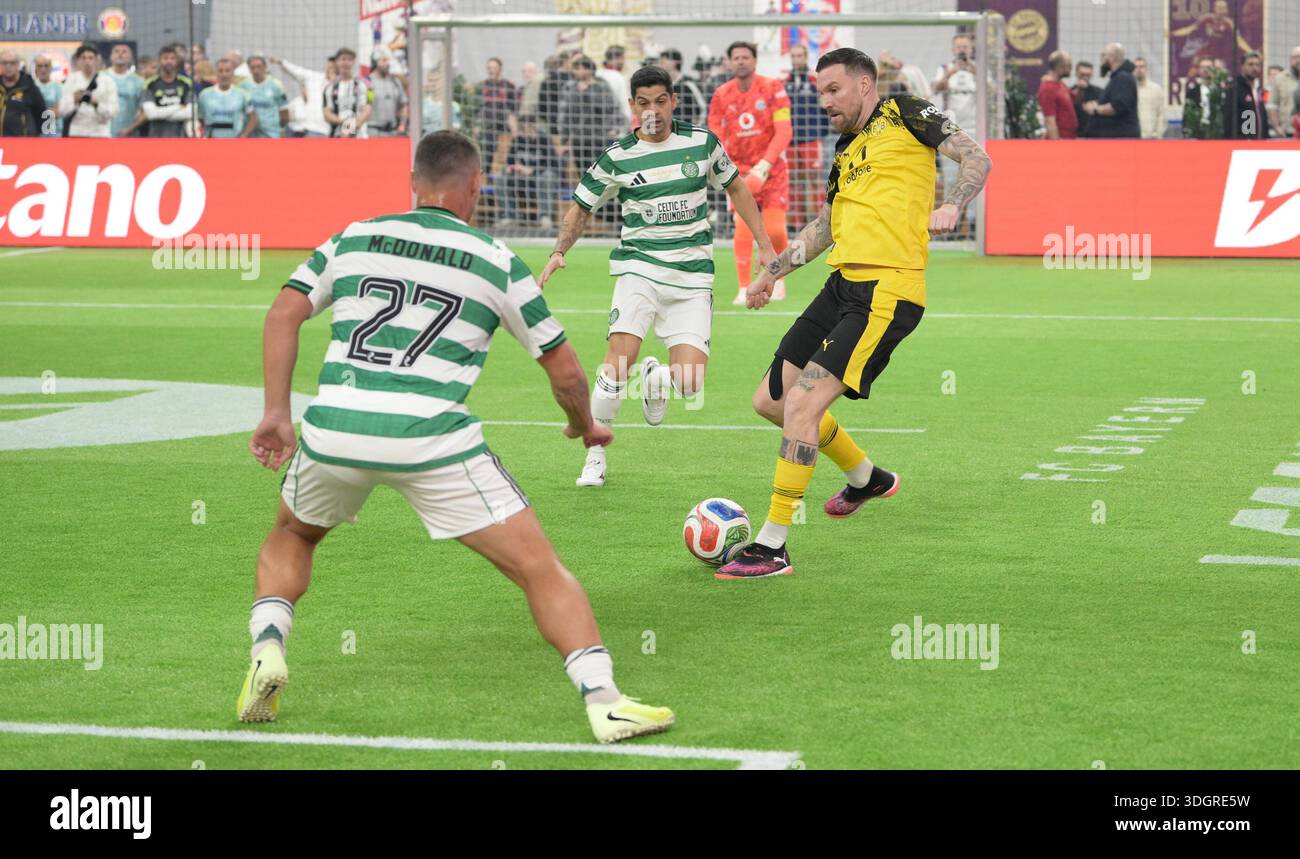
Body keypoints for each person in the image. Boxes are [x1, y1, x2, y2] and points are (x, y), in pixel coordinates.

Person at [239, 129, 674, 745]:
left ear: (413, 185)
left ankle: (268, 649)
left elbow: (283, 313)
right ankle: (604, 700)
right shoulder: (495, 258)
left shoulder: (354, 235)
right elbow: (568, 370)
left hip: (335, 428)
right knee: (538, 568)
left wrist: (276, 412)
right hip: (431, 439)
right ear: (475, 187)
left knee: (292, 532)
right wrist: (584, 426)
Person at [716, 47, 991, 579]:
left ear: (865, 85)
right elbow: (823, 227)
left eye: (834, 90)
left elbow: (977, 157)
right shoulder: (845, 151)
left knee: (801, 405)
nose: (825, 101)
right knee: (770, 401)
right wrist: (772, 271)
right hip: (841, 286)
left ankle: (773, 545)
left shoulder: (906, 113)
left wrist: (954, 202)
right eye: (820, 93)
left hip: (887, 291)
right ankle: (866, 478)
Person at [537, 66, 775, 489]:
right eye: (643, 103)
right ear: (632, 106)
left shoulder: (702, 145)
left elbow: (737, 189)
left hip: (692, 276)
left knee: (689, 384)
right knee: (616, 364)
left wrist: (765, 245)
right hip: (639, 270)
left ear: (673, 101)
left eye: (660, 101)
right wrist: (559, 251)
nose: (653, 111)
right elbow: (581, 208)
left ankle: (657, 377)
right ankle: (595, 454)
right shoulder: (617, 156)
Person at [708, 40, 793, 305]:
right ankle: (745, 286)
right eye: (736, 57)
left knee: (776, 230)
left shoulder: (773, 88)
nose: (741, 61)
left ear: (755, 61)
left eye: (746, 57)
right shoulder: (721, 95)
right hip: (740, 175)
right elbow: (715, 135)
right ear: (730, 62)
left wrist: (764, 166)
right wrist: (726, 170)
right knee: (743, 229)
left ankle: (778, 280)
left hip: (772, 170)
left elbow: (783, 131)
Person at [784, 43, 831, 232]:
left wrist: (821, 132)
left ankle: (820, 222)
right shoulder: (784, 82)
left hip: (811, 138)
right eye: (793, 56)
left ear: (806, 57)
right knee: (793, 180)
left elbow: (826, 107)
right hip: (790, 140)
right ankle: (795, 223)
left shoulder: (816, 81)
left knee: (813, 179)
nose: (796, 59)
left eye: (799, 56)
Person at [556, 55, 621, 182]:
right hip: (578, 138)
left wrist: (588, 92)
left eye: (579, 68)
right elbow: (564, 113)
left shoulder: (602, 86)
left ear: (589, 70)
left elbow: (610, 108)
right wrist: (565, 138)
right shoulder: (570, 87)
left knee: (600, 171)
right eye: (575, 69)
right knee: (583, 173)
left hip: (599, 137)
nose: (576, 72)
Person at [60, 43, 118, 138]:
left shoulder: (108, 81)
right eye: (83, 58)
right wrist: (74, 101)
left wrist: (95, 103)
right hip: (76, 133)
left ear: (96, 60)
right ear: (78, 61)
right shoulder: (71, 80)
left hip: (100, 133)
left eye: (90, 58)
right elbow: (62, 110)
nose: (87, 61)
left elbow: (113, 112)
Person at [1081, 43, 1139, 138]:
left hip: (1121, 141)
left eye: (1103, 55)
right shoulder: (1117, 77)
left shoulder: (1123, 77)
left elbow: (1117, 106)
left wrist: (1095, 109)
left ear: (1112, 57)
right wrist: (1097, 104)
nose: (1102, 60)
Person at [141, 45, 195, 137]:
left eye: (172, 58)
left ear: (177, 61)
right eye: (165, 58)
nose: (169, 61)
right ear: (159, 61)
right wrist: (178, 107)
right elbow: (151, 114)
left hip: (181, 138)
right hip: (156, 138)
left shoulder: (186, 83)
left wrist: (160, 112)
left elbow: (191, 112)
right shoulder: (150, 84)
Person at [273, 54, 333, 137]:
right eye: (329, 66)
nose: (330, 69)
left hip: (322, 130)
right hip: (303, 130)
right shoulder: (314, 77)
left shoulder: (338, 85)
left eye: (333, 67)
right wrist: (282, 62)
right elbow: (296, 70)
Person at [198, 57, 256, 137]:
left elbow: (253, 118)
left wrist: (244, 135)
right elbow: (200, 118)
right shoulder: (204, 95)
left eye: (227, 71)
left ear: (233, 73)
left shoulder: (243, 94)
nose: (224, 74)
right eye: (220, 71)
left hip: (234, 143)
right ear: (216, 73)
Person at [476, 57, 517, 167]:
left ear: (500, 69)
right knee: (487, 149)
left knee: (507, 152)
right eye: (489, 68)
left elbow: (513, 108)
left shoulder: (508, 85)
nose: (491, 70)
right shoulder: (482, 85)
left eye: (494, 67)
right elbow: (478, 109)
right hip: (488, 125)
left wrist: (514, 127)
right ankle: (487, 175)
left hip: (504, 125)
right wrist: (477, 126)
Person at [323, 47, 371, 137]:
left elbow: (367, 109)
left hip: (359, 136)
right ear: (337, 62)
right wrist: (343, 122)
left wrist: (350, 128)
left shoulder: (365, 84)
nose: (346, 62)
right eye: (343, 59)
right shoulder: (329, 88)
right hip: (336, 135)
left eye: (349, 59)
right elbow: (327, 113)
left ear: (353, 62)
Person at [0, 48, 46, 136]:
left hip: (23, 143)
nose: (8, 66)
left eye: (12, 63)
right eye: (5, 63)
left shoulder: (30, 88)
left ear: (18, 65)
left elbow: (41, 114)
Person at [241, 55, 289, 138]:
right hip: (251, 135)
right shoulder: (243, 86)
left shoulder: (276, 85)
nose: (256, 70)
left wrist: (274, 126)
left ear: (265, 67)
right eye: (253, 67)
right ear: (249, 69)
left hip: (271, 134)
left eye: (259, 67)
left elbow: (284, 112)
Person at [364, 49, 406, 138]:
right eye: (383, 60)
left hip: (392, 132)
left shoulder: (395, 82)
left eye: (388, 60)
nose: (387, 63)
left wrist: (402, 124)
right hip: (373, 132)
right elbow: (367, 104)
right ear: (375, 63)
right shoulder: (368, 82)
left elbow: (403, 105)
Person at [659, 48, 706, 126]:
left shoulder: (689, 83)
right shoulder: (662, 86)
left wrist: (696, 129)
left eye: (662, 62)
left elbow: (702, 108)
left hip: (687, 132)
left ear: (674, 62)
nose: (660, 65)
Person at [106, 44, 144, 138]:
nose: (120, 54)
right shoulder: (100, 78)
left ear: (131, 58)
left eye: (124, 52)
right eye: (116, 51)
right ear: (111, 57)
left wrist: (130, 128)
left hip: (129, 135)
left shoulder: (139, 81)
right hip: (103, 134)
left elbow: (144, 111)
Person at [1226, 51, 1266, 139]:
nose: (1254, 68)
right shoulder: (1235, 87)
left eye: (1257, 65)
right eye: (1250, 64)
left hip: (1260, 140)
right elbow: (1229, 117)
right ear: (1243, 66)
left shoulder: (1259, 88)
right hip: (1242, 141)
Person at [1038, 51, 1077, 139]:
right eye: (1069, 66)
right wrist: (1056, 146)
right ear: (1059, 67)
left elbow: (1073, 100)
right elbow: (1050, 121)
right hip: (1061, 139)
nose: (1071, 69)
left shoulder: (1060, 84)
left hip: (1070, 138)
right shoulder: (1048, 88)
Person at [1268, 47, 1300, 138]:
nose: (1298, 60)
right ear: (1290, 59)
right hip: (1288, 132)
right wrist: (1277, 126)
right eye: (1295, 57)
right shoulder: (1280, 78)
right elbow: (1272, 105)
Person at [596, 45, 631, 126]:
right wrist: (627, 124)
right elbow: (624, 104)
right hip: (615, 123)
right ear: (618, 58)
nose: (624, 61)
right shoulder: (618, 77)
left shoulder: (597, 74)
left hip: (597, 123)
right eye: (623, 58)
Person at [1133, 57, 1167, 139]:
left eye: (1142, 66)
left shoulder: (1156, 89)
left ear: (1146, 68)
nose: (1139, 69)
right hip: (1133, 139)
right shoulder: (1128, 89)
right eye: (1136, 67)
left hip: (1152, 139)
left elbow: (1161, 114)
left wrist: (1158, 135)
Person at [31, 54, 62, 137]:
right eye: (40, 66)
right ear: (35, 69)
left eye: (46, 66)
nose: (43, 69)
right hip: (36, 132)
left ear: (51, 68)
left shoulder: (58, 87)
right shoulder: (31, 87)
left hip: (56, 132)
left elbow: (60, 111)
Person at [1071, 61, 1103, 137]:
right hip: (1076, 135)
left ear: (1092, 75)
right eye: (1082, 75)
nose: (1085, 77)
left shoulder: (1100, 92)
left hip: (1095, 135)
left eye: (1088, 75)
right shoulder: (1069, 92)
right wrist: (1079, 90)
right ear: (1076, 74)